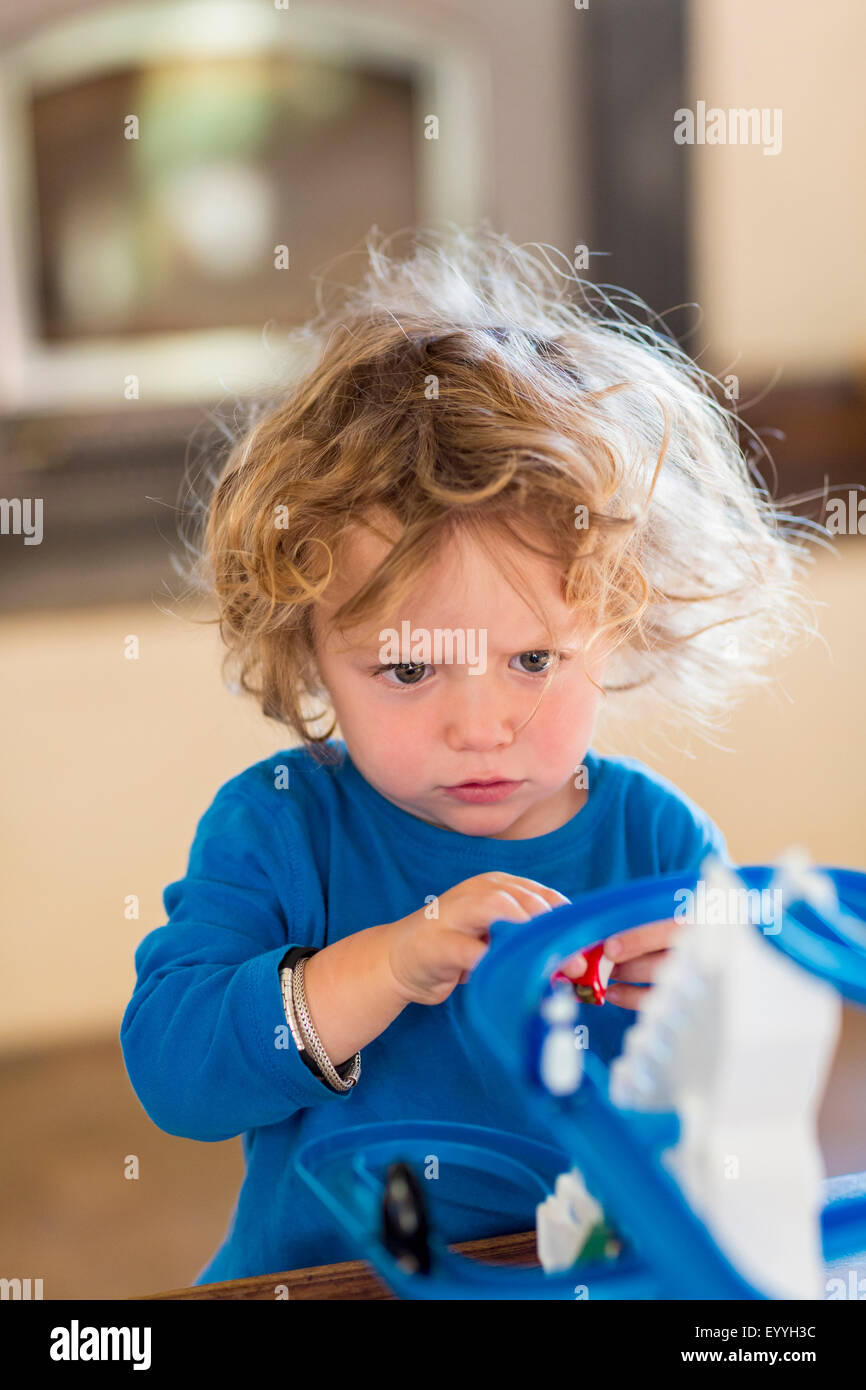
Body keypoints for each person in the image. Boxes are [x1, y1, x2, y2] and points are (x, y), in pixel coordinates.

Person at [120, 224, 817, 1284]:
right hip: (328, 1278)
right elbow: (177, 1076)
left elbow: (750, 1117)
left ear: (616, 620)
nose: (481, 725)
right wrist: (386, 964)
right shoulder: (278, 825)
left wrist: (706, 1007)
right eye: (407, 671)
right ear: (306, 645)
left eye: (532, 657)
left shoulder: (656, 836)